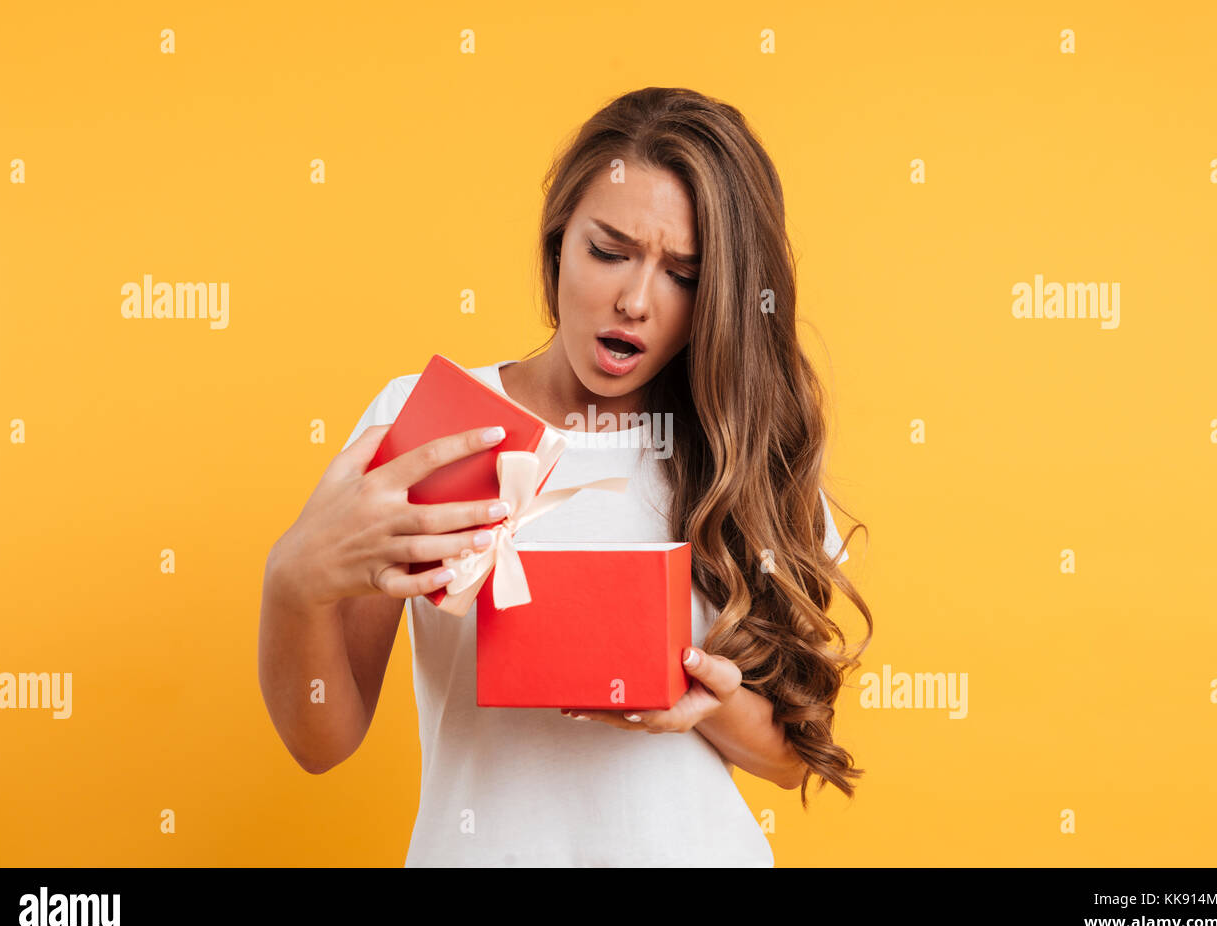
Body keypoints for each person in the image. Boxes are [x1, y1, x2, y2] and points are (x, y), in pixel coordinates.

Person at [259, 87, 873, 867]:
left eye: (683, 274)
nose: (634, 299)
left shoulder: (740, 450)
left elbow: (791, 761)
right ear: (558, 243)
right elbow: (324, 741)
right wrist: (292, 581)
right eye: (609, 250)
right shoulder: (438, 422)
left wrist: (696, 706)